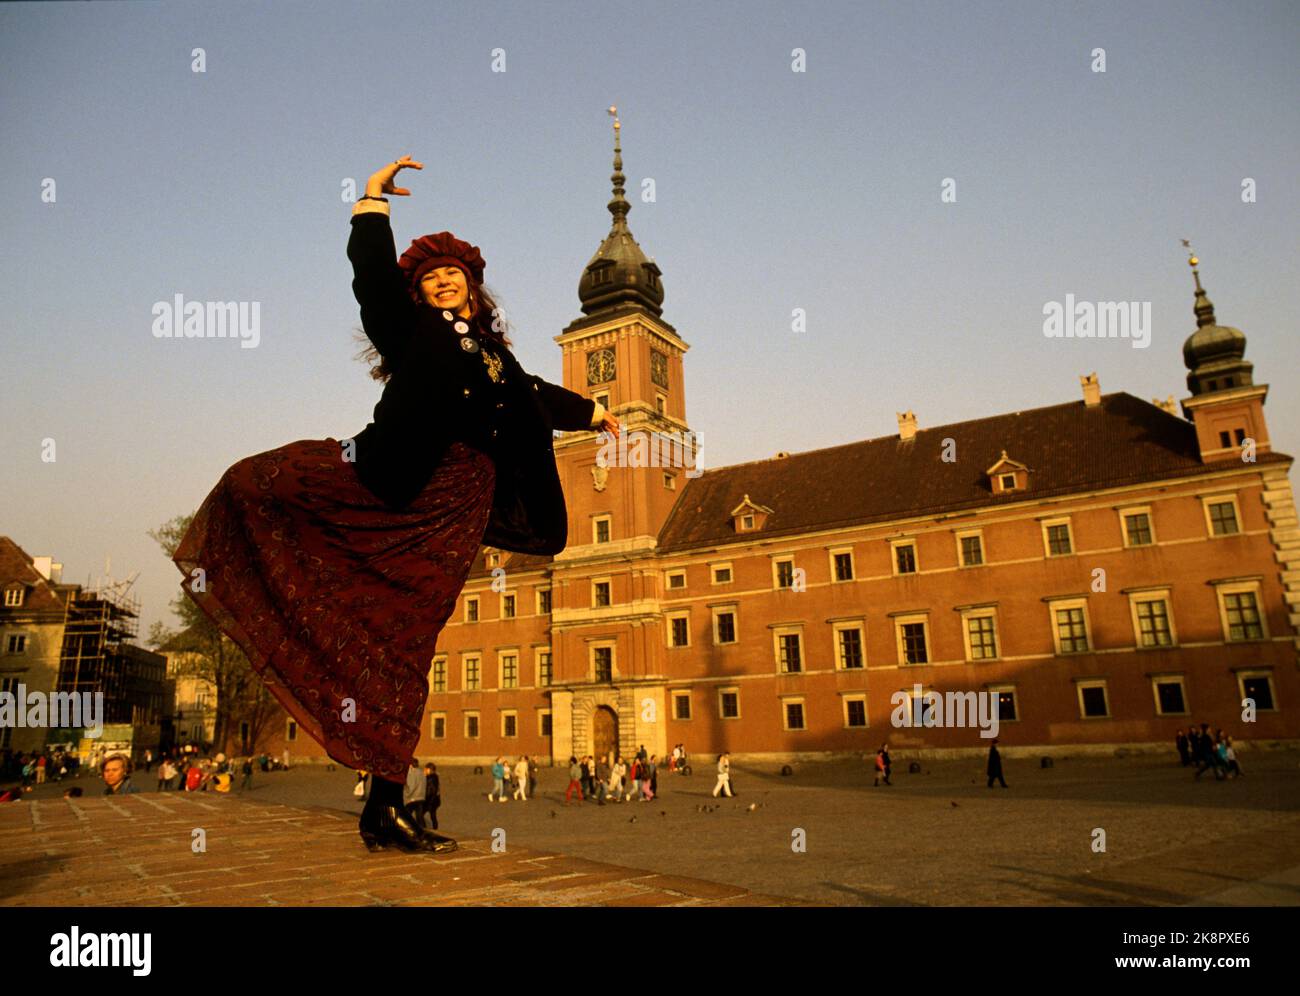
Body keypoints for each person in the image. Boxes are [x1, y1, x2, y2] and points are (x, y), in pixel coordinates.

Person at [169, 155, 620, 855]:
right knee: (268, 488)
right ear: (424, 294)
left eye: (455, 275)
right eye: (432, 277)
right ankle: (380, 801)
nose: (443, 280)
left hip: (453, 515)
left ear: (474, 289)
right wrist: (372, 205)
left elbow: (534, 392)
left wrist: (591, 411)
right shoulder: (415, 335)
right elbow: (375, 288)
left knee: (407, 648)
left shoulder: (495, 356)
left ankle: (384, 808)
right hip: (401, 489)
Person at [422, 763, 441, 829]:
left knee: (421, 815)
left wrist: (427, 801)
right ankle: (435, 828)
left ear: (429, 770)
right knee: (433, 816)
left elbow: (431, 791)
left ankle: (424, 828)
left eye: (425, 769)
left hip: (430, 801)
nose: (424, 771)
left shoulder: (431, 778)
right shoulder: (434, 777)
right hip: (434, 801)